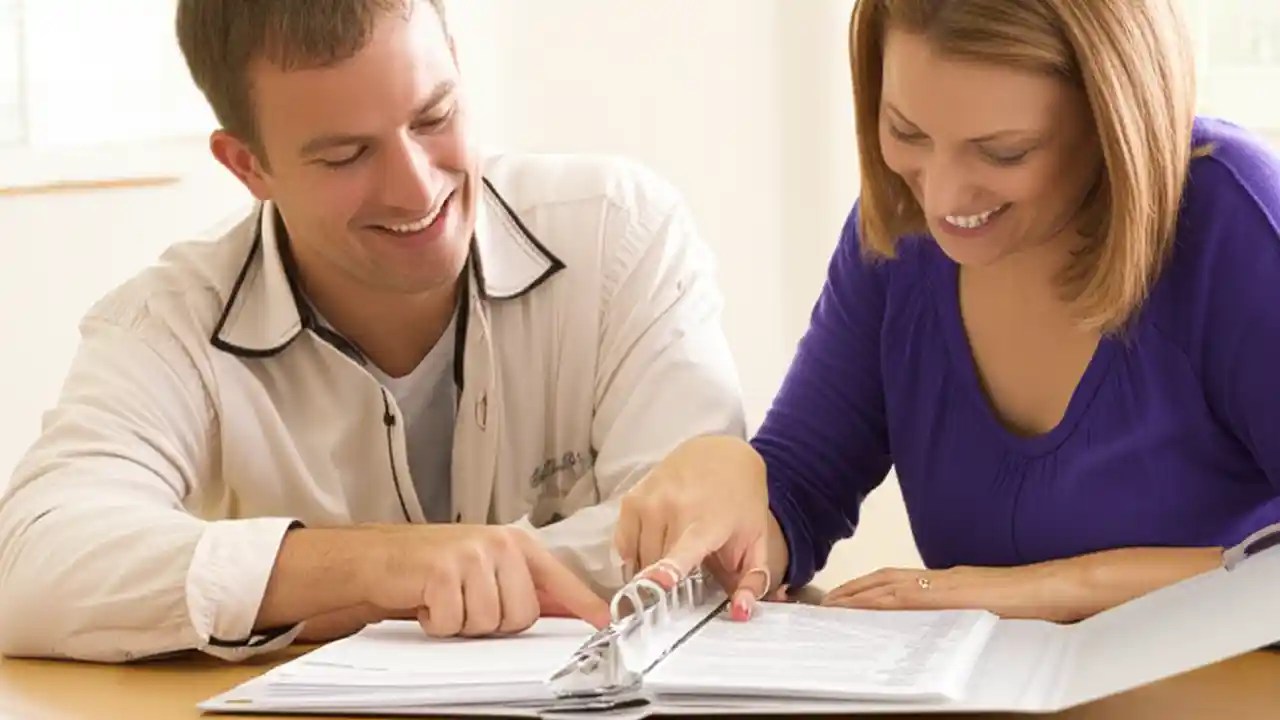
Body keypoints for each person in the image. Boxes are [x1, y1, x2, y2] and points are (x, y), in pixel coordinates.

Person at [0, 0, 745, 662]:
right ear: (248, 165)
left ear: (456, 63)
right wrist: (376, 565)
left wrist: (332, 598)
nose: (416, 188)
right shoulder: (169, 322)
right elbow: (30, 560)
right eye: (345, 156)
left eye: (434, 117)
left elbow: (702, 544)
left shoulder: (619, 235)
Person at [617, 0, 1280, 624]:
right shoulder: (901, 240)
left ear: (1110, 116)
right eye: (907, 133)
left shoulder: (1231, 218)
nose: (942, 197)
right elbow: (799, 491)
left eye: (1004, 152)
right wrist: (730, 494)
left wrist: (1042, 590)